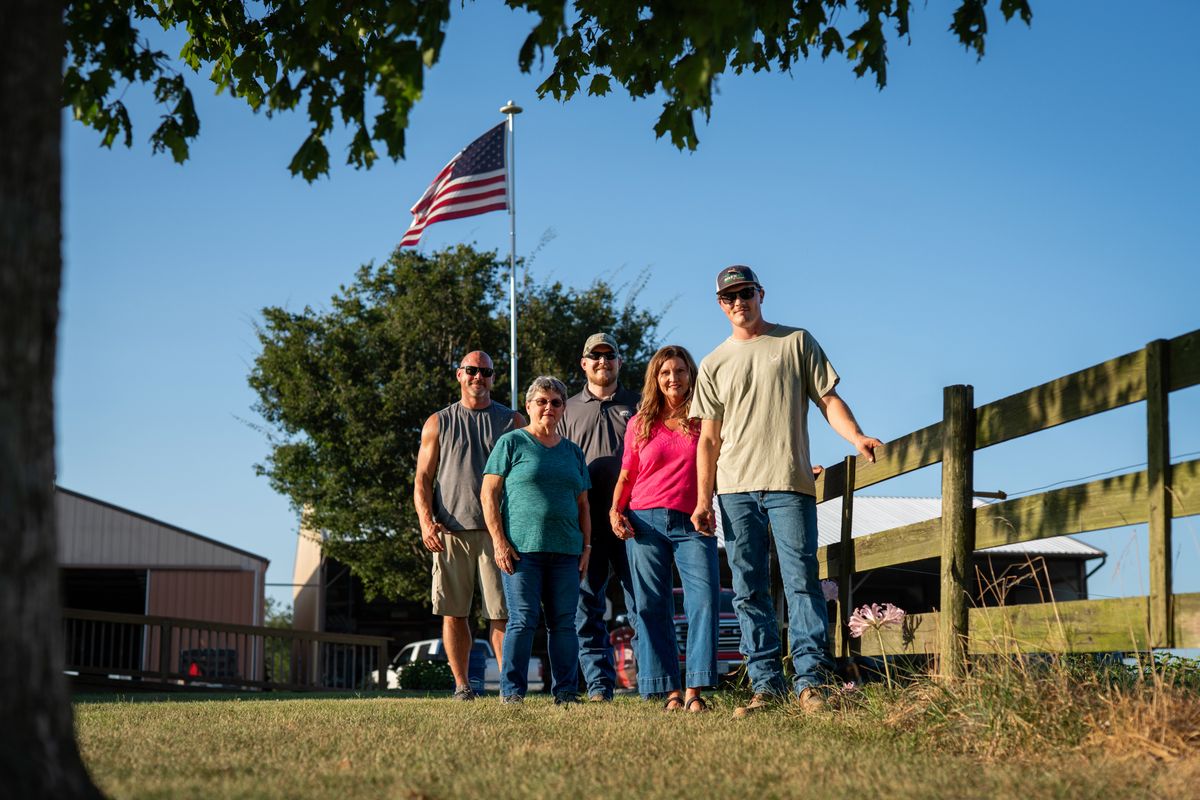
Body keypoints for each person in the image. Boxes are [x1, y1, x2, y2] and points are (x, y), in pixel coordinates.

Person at [690, 266, 884, 717]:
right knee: (748, 589)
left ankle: (811, 682)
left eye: (746, 292)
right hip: (735, 490)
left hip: (790, 483)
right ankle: (766, 686)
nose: (739, 302)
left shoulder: (796, 341)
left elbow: (828, 400)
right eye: (730, 296)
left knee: (802, 583)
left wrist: (856, 436)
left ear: (761, 294)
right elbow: (709, 439)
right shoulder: (714, 362)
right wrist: (703, 499)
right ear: (720, 304)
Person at [610, 345, 719, 713]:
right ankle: (669, 690)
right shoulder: (640, 423)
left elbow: (729, 459)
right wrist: (615, 510)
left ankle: (695, 689)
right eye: (665, 372)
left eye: (680, 371)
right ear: (655, 379)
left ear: (691, 375)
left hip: (694, 521)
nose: (674, 378)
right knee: (651, 606)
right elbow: (627, 474)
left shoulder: (705, 419)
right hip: (644, 520)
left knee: (704, 600)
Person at [413, 351, 525, 701]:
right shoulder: (438, 422)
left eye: (486, 372)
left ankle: (509, 690)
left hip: (499, 534)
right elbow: (422, 479)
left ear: (493, 377)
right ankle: (462, 686)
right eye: (472, 370)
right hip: (450, 532)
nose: (479, 377)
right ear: (459, 375)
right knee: (453, 613)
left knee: (502, 615)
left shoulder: (513, 421)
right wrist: (426, 522)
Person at [481, 376, 592, 704]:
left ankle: (567, 692)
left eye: (556, 402)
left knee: (564, 623)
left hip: (566, 551)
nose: (548, 408)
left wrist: (586, 547)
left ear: (563, 409)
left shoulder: (573, 452)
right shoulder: (512, 443)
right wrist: (499, 542)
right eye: (541, 401)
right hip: (521, 551)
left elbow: (584, 505)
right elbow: (488, 494)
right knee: (523, 620)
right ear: (528, 406)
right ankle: (512, 692)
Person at [561, 332, 640, 702]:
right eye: (595, 356)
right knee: (586, 609)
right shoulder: (565, 408)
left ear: (619, 362)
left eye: (610, 356)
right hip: (584, 524)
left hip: (634, 522)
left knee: (642, 606)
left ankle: (653, 683)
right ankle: (598, 687)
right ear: (584, 363)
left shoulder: (641, 404)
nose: (603, 362)